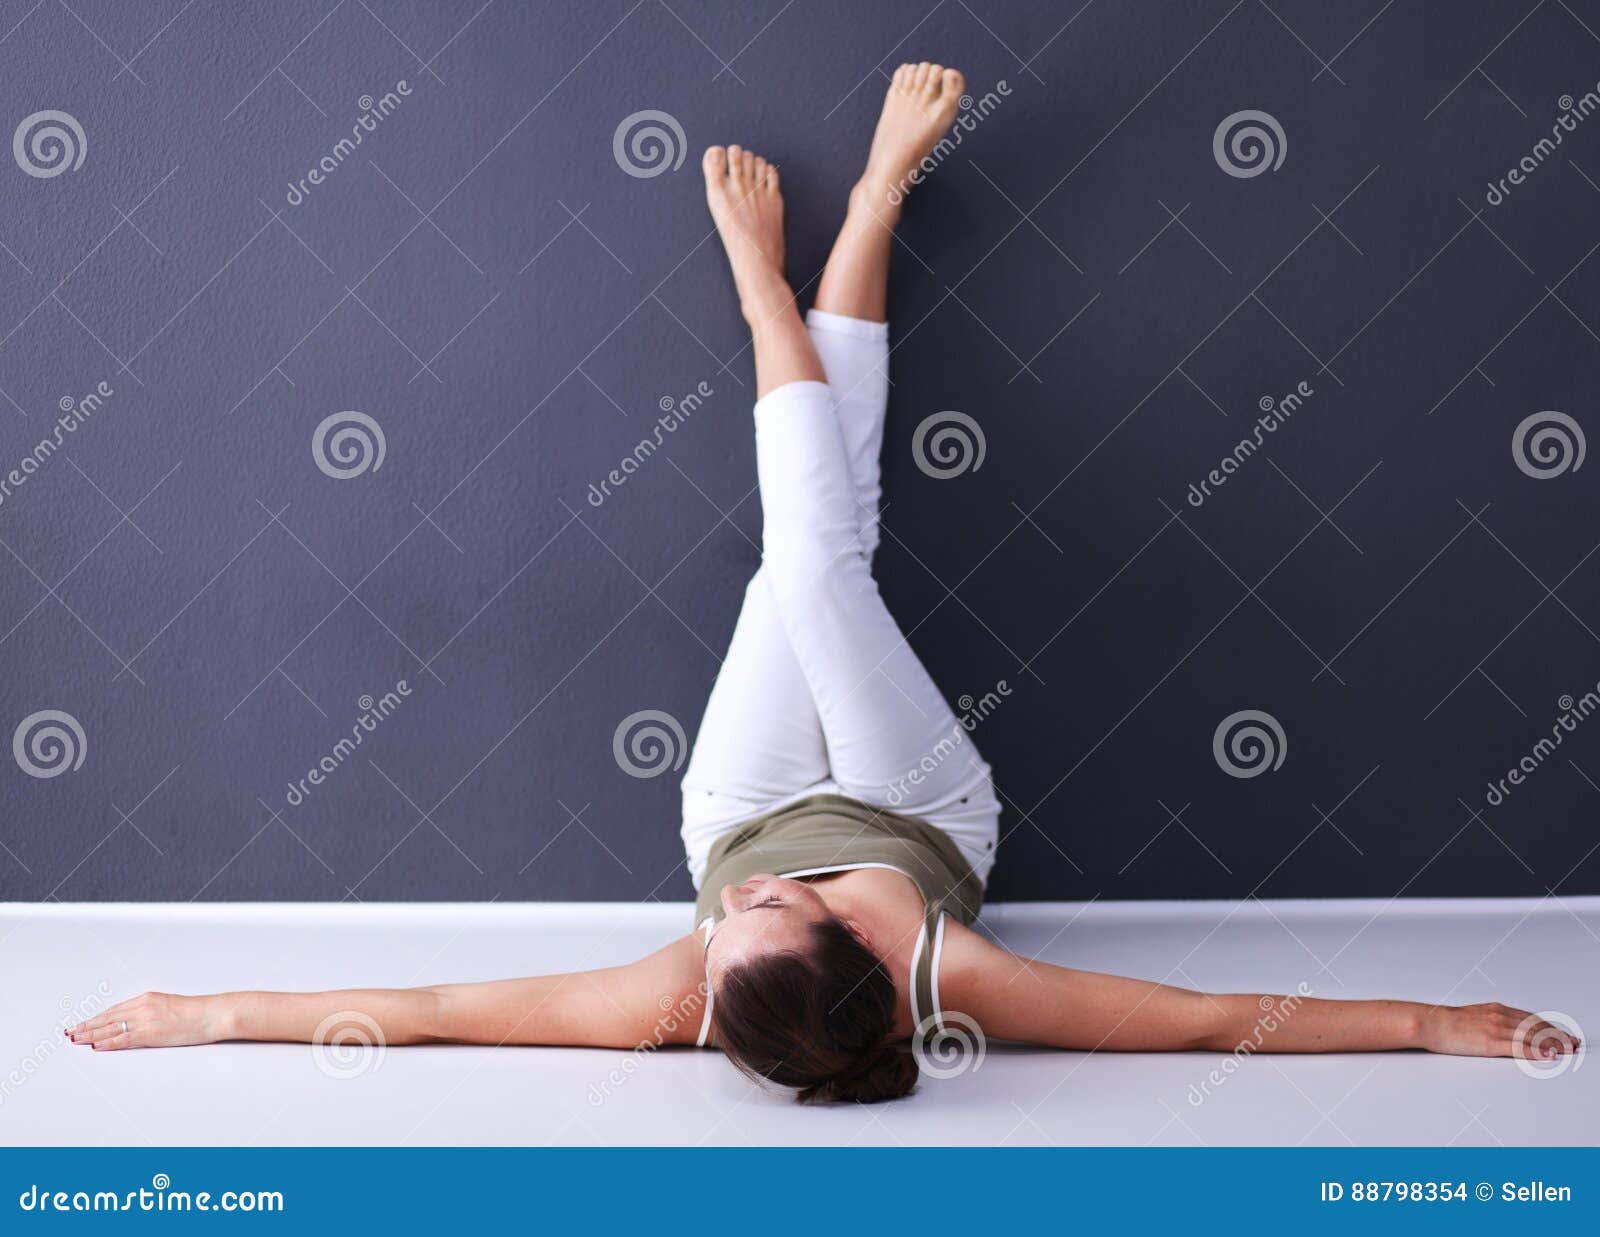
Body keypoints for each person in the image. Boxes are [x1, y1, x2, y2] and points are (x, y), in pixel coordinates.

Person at [68, 65, 1579, 1102]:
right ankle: (809, 257)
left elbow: (435, 1012)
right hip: (924, 807)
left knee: (817, 545)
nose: (759, 898)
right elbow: (1208, 1024)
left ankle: (838, 248)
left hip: (732, 789)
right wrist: (1443, 1022)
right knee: (815, 554)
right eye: (787, 911)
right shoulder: (952, 963)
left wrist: (195, 1010)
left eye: (733, 922)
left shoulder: (684, 989)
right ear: (857, 949)